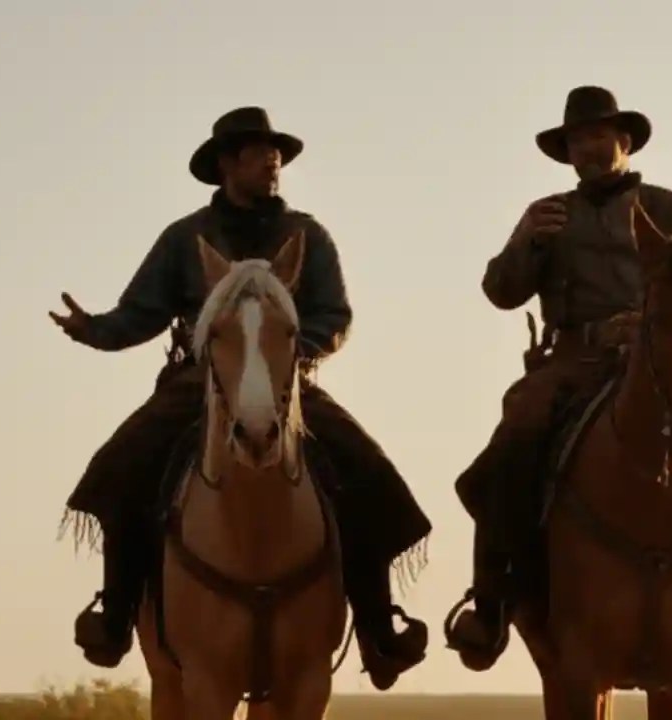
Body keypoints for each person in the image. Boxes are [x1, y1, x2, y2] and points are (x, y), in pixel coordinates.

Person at [48, 106, 431, 690]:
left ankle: (380, 628)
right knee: (119, 466)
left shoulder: (308, 235)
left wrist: (288, 354)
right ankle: (117, 611)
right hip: (198, 382)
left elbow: (335, 314)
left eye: (275, 153)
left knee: (371, 473)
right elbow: (142, 313)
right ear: (227, 164)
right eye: (257, 152)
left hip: (287, 383)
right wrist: (94, 329)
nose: (271, 161)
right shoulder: (185, 238)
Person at [444, 86, 672, 676]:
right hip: (571, 363)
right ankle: (489, 603)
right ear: (566, 152)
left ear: (624, 141)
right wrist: (525, 241)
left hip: (661, 360)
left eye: (598, 135)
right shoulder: (548, 213)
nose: (588, 147)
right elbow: (501, 293)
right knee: (513, 441)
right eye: (576, 140)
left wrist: (641, 325)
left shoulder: (671, 210)